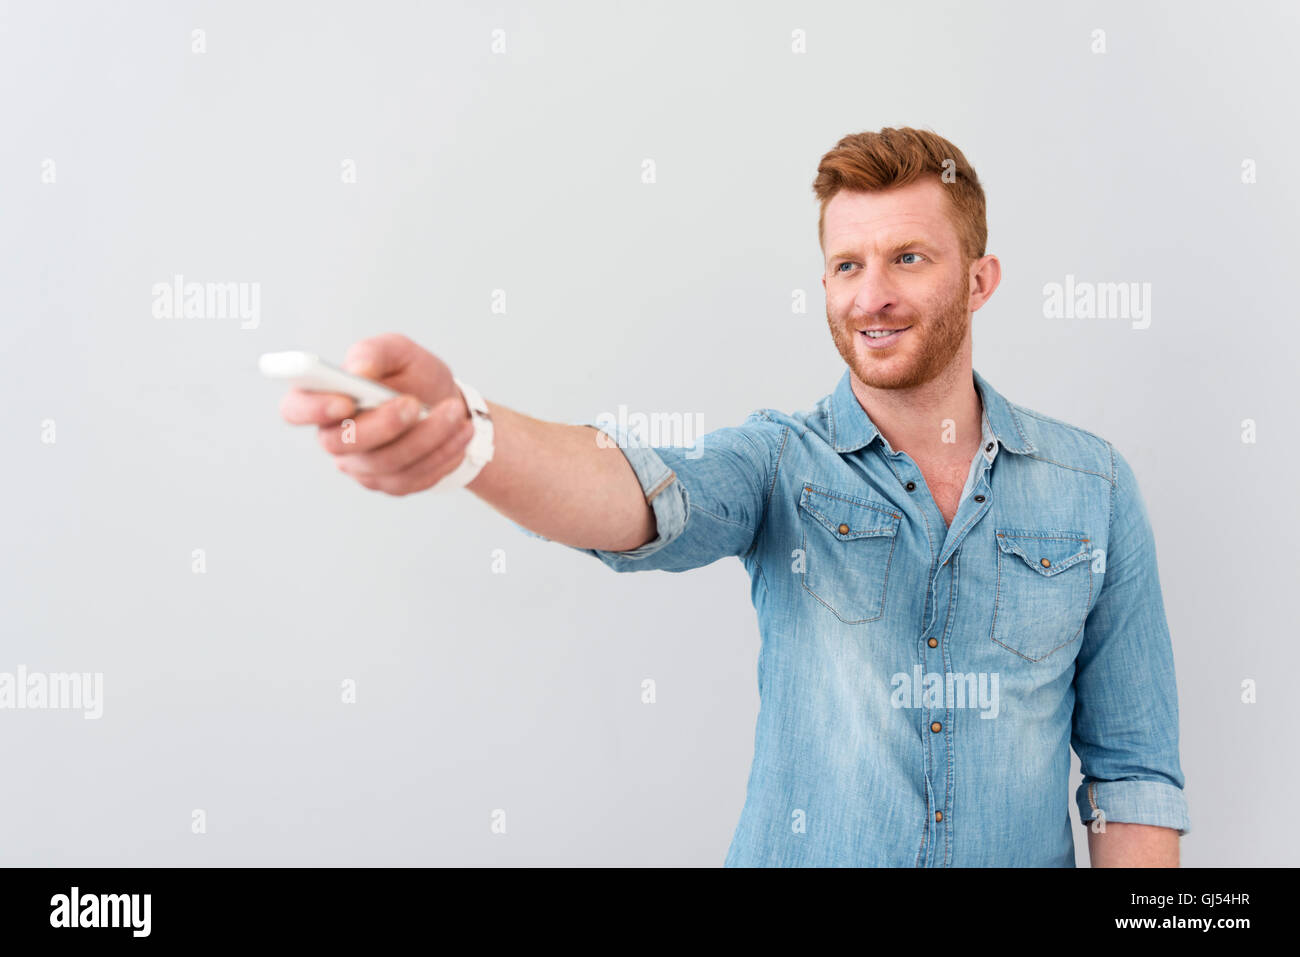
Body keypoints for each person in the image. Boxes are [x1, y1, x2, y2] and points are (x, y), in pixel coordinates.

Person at [276, 126, 1189, 867]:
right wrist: (470, 433)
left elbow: (1133, 774)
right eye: (846, 265)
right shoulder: (777, 461)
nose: (872, 296)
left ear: (979, 280)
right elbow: (639, 494)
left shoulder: (1092, 486)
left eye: (908, 257)